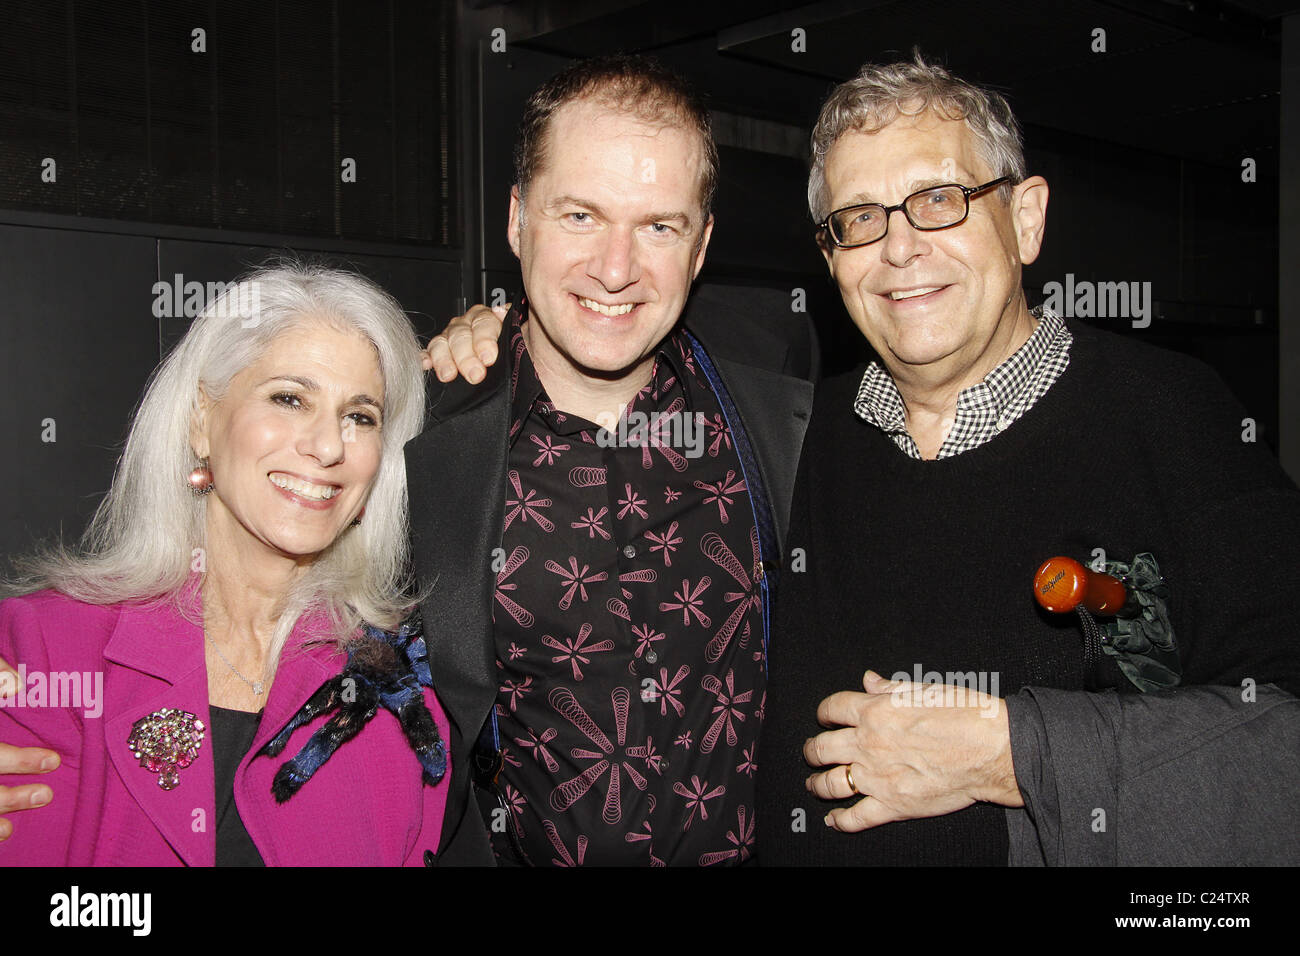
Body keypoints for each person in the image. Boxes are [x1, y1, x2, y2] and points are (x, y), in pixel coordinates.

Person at [755, 55, 1300, 865]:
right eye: (859, 217)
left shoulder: (1173, 413)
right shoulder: (794, 429)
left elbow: (1281, 736)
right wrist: (499, 350)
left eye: (939, 200)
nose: (900, 248)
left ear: (1027, 219)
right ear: (831, 255)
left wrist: (1012, 753)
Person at [405, 54, 816, 865]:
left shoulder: (783, 394)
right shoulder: (423, 433)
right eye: (581, 216)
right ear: (518, 220)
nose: (617, 270)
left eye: (659, 226)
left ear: (700, 247)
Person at [0, 262, 451, 865]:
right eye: (290, 398)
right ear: (201, 420)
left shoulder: (405, 692)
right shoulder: (48, 651)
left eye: (359, 417)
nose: (327, 445)